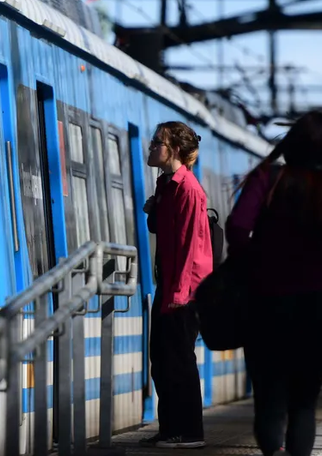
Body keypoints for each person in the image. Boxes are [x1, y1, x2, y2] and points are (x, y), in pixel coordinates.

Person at [225, 111, 322, 456]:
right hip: (317, 308)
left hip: (265, 303)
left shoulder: (267, 179)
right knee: (304, 404)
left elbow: (237, 228)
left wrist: (255, 263)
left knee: (268, 399)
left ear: (292, 143)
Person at [138, 121, 212, 449]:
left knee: (180, 360)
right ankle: (170, 428)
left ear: (175, 151)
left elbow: (189, 246)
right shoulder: (166, 185)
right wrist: (152, 211)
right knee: (162, 358)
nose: (151, 147)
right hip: (168, 284)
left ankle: (190, 431)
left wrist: (179, 295)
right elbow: (162, 231)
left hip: (184, 290)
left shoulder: (189, 189)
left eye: (157, 143)